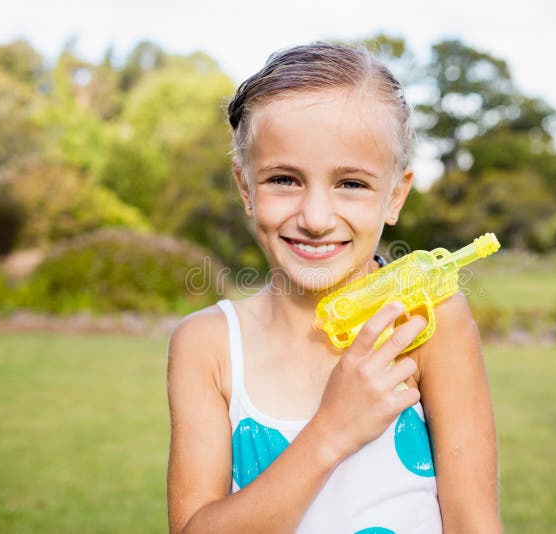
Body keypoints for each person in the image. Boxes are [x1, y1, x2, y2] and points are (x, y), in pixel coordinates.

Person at [166, 42, 502, 534]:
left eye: (352, 184)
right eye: (284, 179)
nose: (317, 219)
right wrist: (330, 432)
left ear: (396, 195)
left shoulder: (428, 321)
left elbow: (474, 522)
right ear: (245, 189)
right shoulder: (208, 347)